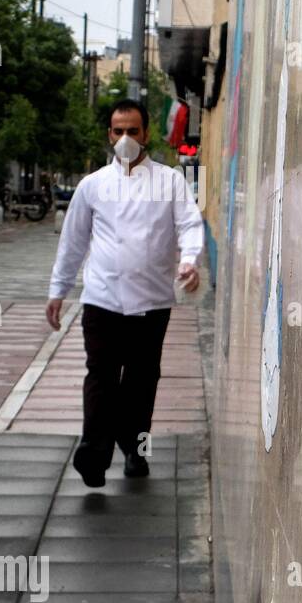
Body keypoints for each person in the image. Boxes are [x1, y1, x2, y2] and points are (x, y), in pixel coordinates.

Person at [46, 98, 204, 487]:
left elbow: (189, 224)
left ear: (146, 134)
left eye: (133, 130)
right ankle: (95, 455)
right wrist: (58, 290)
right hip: (101, 300)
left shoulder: (169, 181)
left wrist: (190, 260)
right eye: (119, 131)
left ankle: (136, 451)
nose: (126, 138)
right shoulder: (93, 185)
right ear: (109, 135)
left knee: (141, 379)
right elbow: (73, 242)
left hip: (152, 304)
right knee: (100, 375)